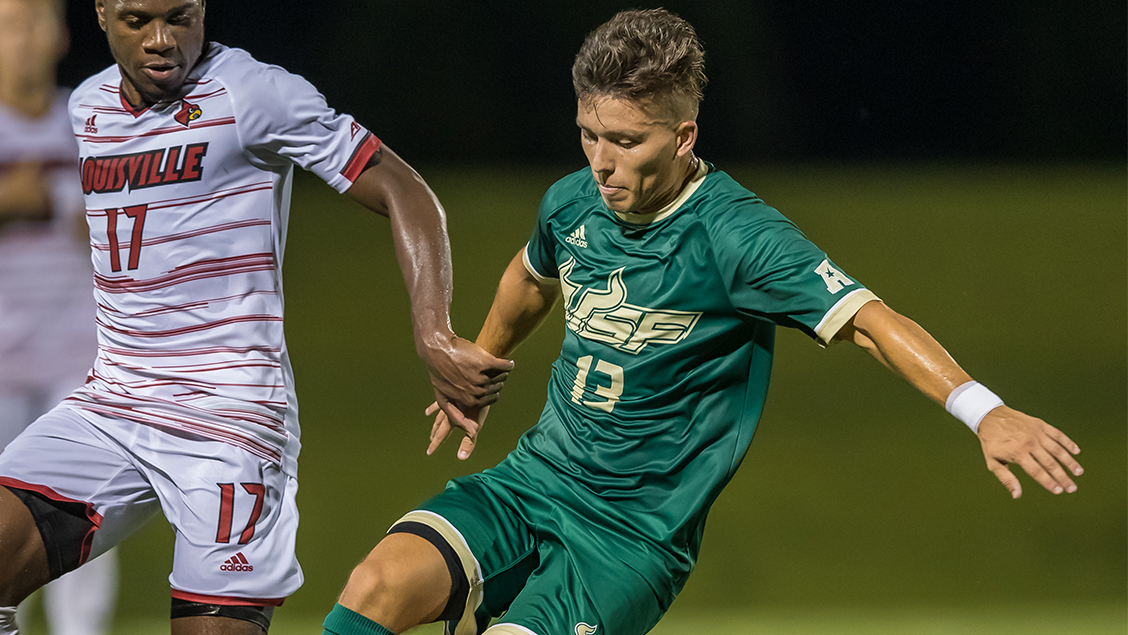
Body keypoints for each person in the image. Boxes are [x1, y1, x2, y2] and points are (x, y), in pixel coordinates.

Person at [320, 9, 1085, 635]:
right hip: (533, 480)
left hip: (629, 537)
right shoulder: (572, 201)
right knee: (374, 585)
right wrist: (475, 364)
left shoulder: (737, 238)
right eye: (589, 133)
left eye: (625, 141)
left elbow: (870, 322)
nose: (600, 161)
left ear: (684, 138)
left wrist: (983, 411)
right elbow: (532, 274)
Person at [0, 0, 513, 633]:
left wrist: (434, 332)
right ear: (102, 13)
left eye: (180, 16)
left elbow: (405, 189)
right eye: (138, 20)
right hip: (113, 405)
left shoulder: (255, 93)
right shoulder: (86, 106)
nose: (162, 39)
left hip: (230, 422)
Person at [0, 0, 118, 634]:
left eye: (34, 22)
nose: (23, 40)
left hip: (80, 360)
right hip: (0, 366)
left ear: (59, 33)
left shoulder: (89, 120)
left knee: (80, 525)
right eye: (9, 25)